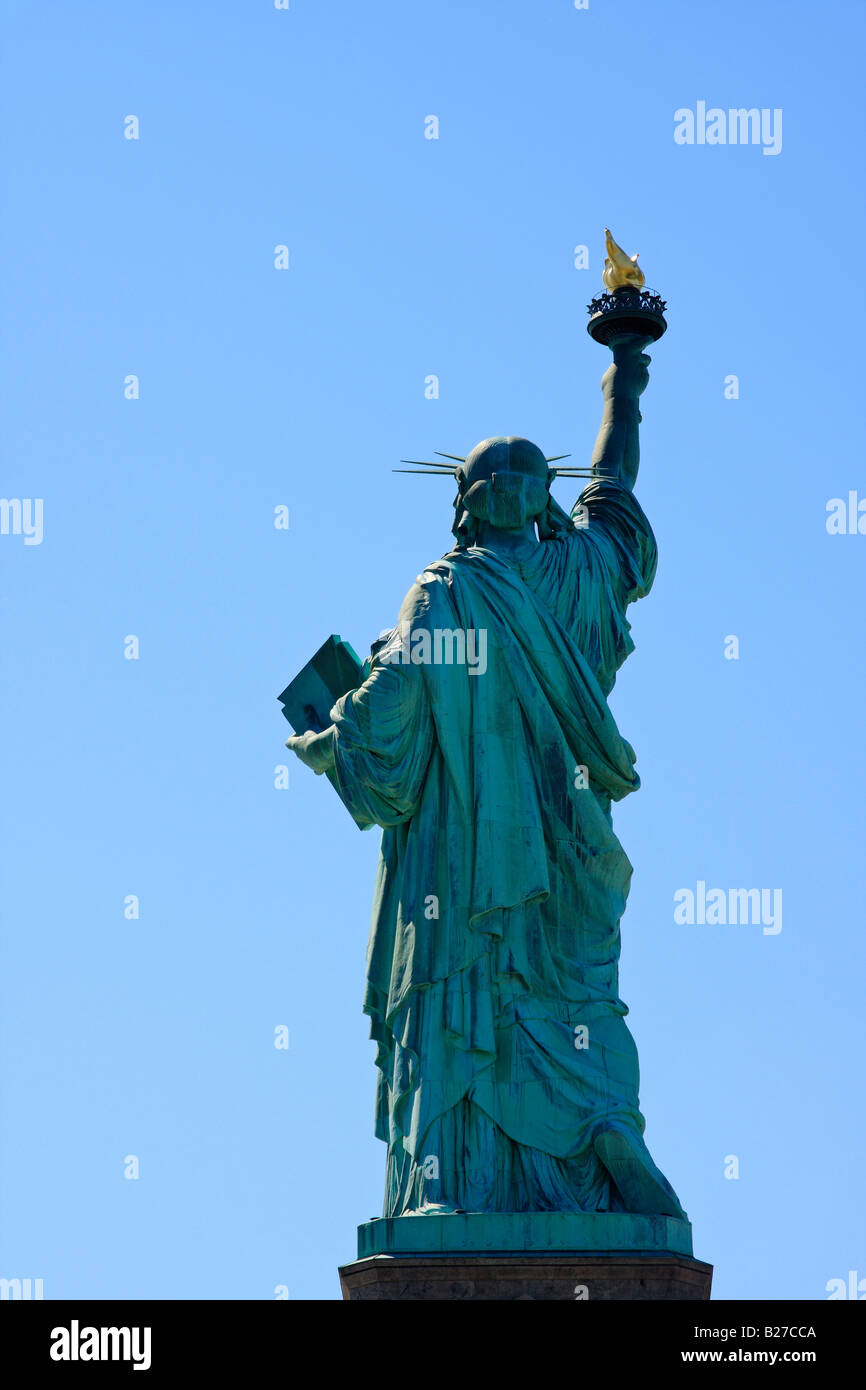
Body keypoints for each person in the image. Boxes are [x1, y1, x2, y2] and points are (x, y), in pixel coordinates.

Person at [287, 337, 686, 1220]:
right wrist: (625, 374)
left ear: (463, 513)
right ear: (543, 501)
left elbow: (383, 728)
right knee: (577, 999)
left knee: (460, 988)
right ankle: (601, 1121)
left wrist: (327, 739)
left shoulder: (442, 593)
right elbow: (615, 492)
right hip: (570, 858)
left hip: (461, 875)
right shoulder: (581, 575)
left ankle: (447, 1184)